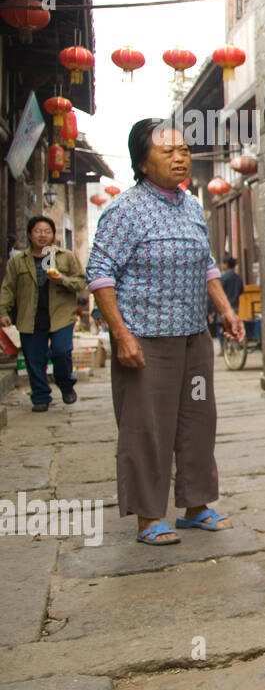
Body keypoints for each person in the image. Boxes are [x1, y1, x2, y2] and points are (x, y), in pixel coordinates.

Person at [86, 119, 246, 545]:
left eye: (184, 150)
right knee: (146, 427)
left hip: (194, 337)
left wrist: (227, 312)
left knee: (197, 419)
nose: (180, 158)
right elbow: (100, 274)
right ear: (142, 162)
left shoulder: (193, 206)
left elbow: (207, 265)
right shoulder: (125, 210)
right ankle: (148, 515)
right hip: (146, 340)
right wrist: (121, 335)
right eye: (167, 151)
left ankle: (196, 506)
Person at [0, 215, 86, 411]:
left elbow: (80, 282)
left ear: (53, 235)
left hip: (60, 315)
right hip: (30, 315)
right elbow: (8, 288)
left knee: (61, 352)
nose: (42, 235)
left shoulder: (65, 257)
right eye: (38, 231)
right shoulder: (18, 261)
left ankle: (65, 384)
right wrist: (3, 311)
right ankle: (40, 396)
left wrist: (62, 280)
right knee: (33, 358)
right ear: (30, 235)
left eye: (47, 232)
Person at [210, 256, 244, 339]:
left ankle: (224, 348)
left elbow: (218, 291)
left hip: (224, 306)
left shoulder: (223, 277)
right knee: (234, 326)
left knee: (222, 327)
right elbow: (241, 290)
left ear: (226, 264)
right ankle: (234, 346)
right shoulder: (238, 277)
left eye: (223, 263)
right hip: (235, 306)